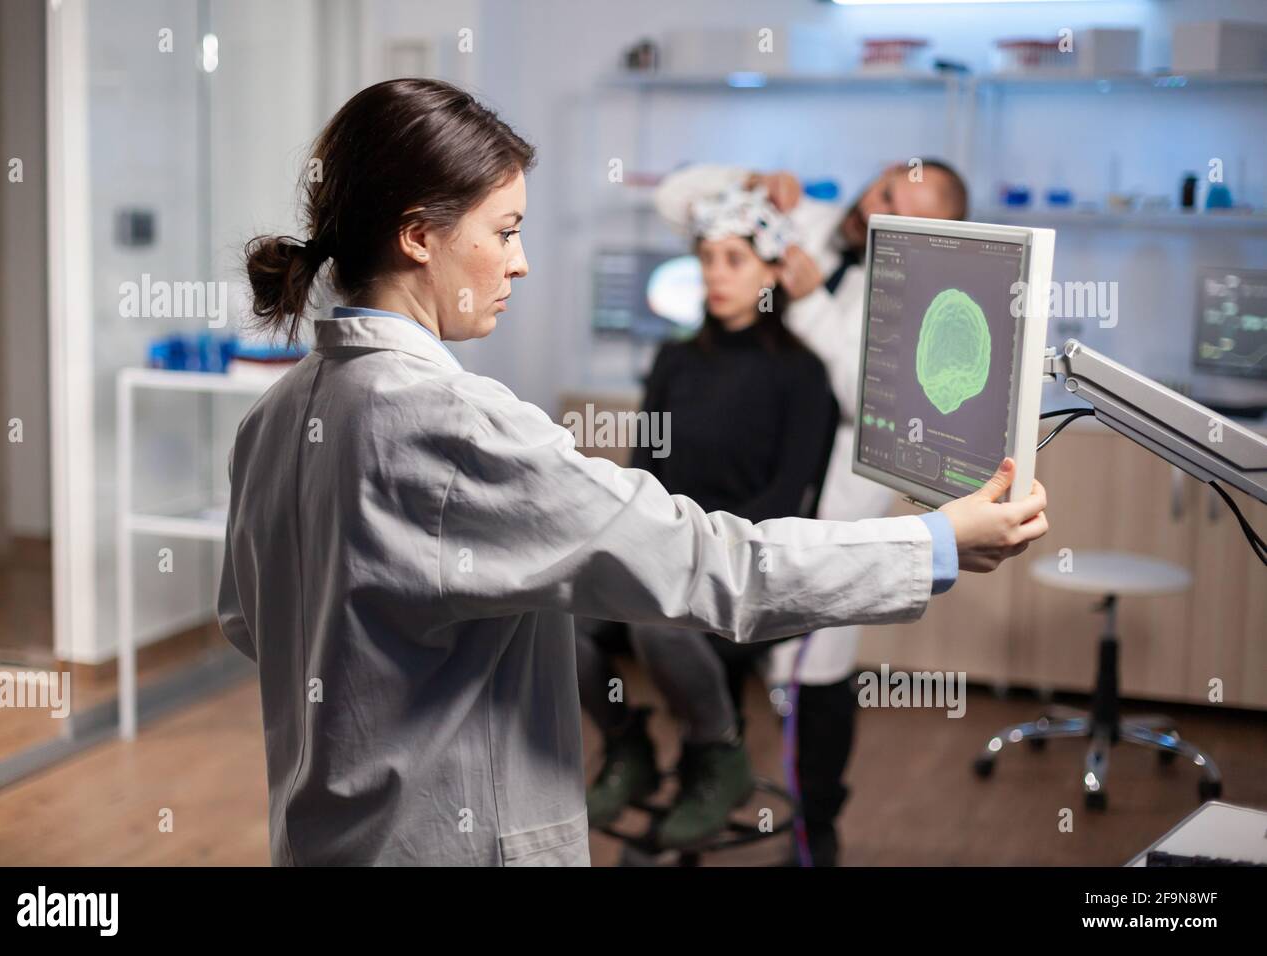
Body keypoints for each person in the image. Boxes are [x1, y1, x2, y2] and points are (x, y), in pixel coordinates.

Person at [218, 78, 1049, 867]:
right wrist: (935, 543)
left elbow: (247, 621)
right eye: (504, 231)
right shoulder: (457, 426)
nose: (520, 262)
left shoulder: (277, 413)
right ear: (417, 236)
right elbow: (713, 566)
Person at [655, 160, 971, 864]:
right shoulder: (809, 220)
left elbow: (873, 400)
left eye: (899, 211)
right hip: (756, 480)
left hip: (832, 507)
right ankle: (713, 782)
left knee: (812, 679)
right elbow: (679, 205)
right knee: (716, 645)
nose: (874, 208)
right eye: (883, 189)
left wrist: (807, 303)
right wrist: (746, 180)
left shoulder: (915, 301)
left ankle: (813, 831)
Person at [577, 185, 837, 850]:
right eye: (707, 259)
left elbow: (786, 499)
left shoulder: (803, 375)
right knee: (555, 614)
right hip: (664, 553)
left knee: (659, 623)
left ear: (772, 272)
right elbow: (644, 471)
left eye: (734, 259)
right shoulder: (675, 360)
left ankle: (717, 756)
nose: (715, 274)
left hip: (750, 568)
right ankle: (626, 745)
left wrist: (690, 554)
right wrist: (643, 545)